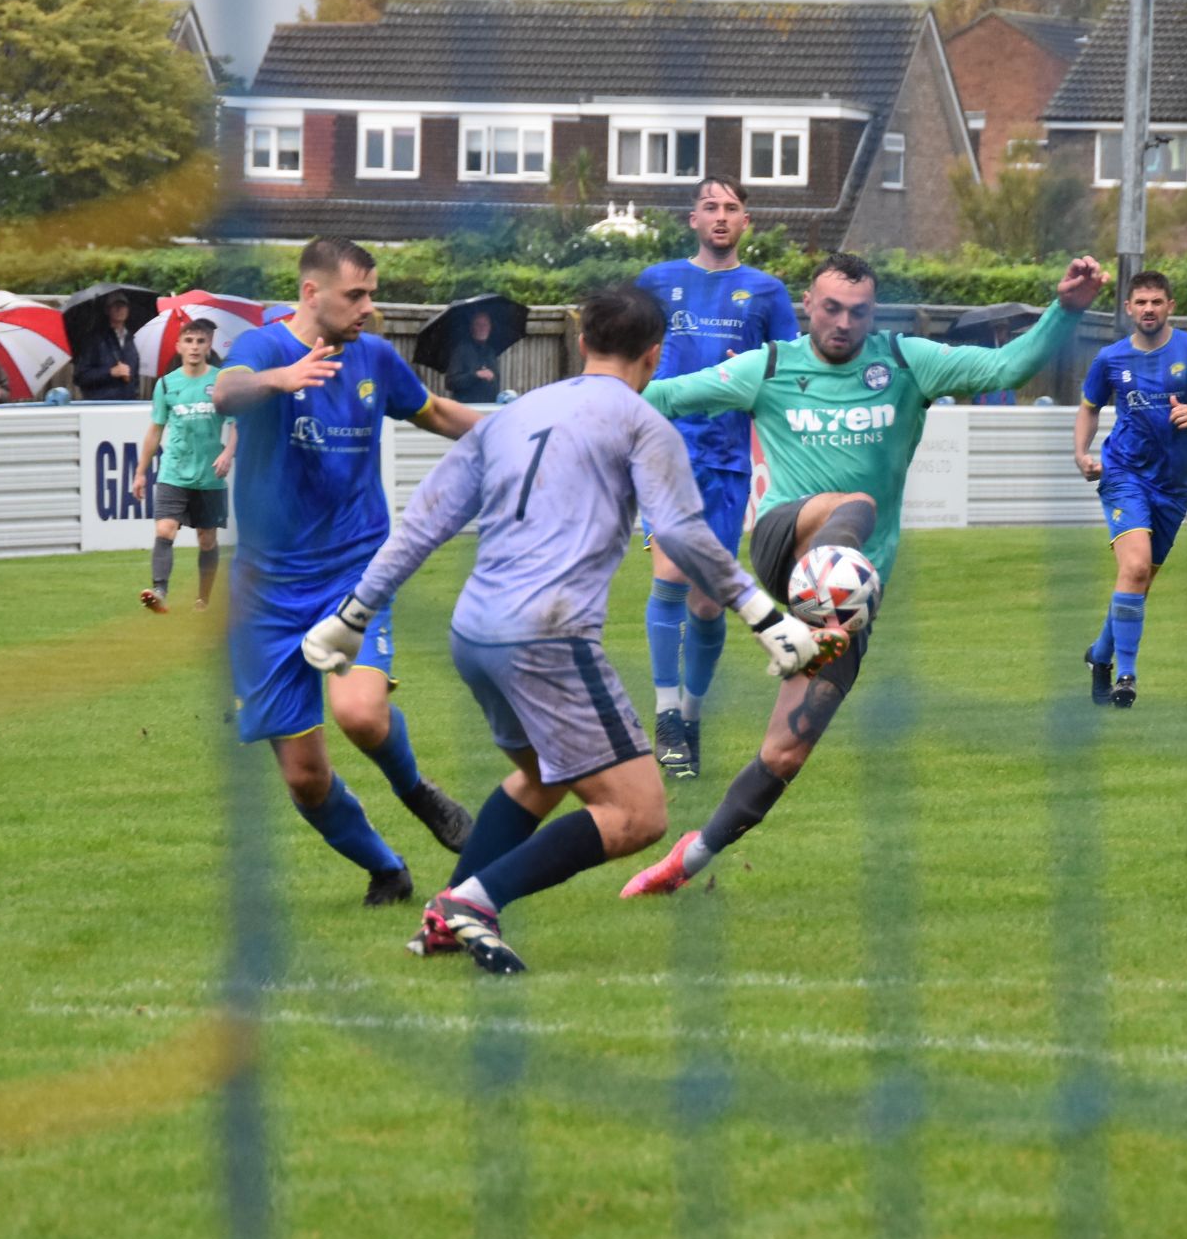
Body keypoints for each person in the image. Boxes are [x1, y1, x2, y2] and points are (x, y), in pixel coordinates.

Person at [300, 283, 828, 973]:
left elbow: (425, 522)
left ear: (581, 343)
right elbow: (680, 532)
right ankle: (474, 904)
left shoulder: (510, 418)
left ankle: (442, 917)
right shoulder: (643, 424)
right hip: (547, 637)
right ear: (656, 356)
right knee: (639, 815)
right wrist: (762, 614)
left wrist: (352, 616)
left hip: (475, 634)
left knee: (545, 775)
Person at [621, 251, 1105, 898]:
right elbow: (669, 394)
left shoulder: (906, 363)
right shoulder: (768, 366)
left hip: (848, 601)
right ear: (807, 306)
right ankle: (829, 590)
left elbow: (1007, 366)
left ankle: (689, 857)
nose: (843, 322)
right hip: (783, 547)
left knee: (784, 754)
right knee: (856, 506)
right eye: (830, 308)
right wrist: (591, 404)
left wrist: (1065, 308)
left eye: (858, 311)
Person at [212, 237, 482, 904]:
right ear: (311, 292)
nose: (370, 306)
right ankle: (386, 868)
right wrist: (279, 381)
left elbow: (438, 412)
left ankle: (417, 791)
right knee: (304, 777)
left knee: (360, 713)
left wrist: (532, 435)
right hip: (266, 594)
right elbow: (225, 392)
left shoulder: (375, 359)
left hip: (355, 571)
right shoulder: (268, 349)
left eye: (372, 292)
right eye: (356, 294)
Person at [634, 176, 802, 780]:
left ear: (746, 222)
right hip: (664, 453)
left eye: (732, 208)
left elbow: (789, 370)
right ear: (692, 219)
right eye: (711, 207)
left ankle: (694, 717)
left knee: (709, 605)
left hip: (728, 462)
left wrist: (755, 374)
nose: (722, 217)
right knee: (671, 577)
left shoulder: (766, 292)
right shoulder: (656, 282)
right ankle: (666, 716)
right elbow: (625, 353)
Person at [1070, 270, 1187, 709]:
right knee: (1137, 568)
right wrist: (1082, 454)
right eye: (1140, 302)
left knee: (1137, 580)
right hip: (1123, 474)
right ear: (1128, 308)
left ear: (1171, 306)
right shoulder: (1109, 359)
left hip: (1173, 488)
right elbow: (1089, 408)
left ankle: (1100, 656)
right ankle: (1126, 674)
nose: (1148, 309)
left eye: (1156, 302)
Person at [132, 314, 235, 612]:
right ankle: (159, 591)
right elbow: (155, 430)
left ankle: (203, 599)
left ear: (208, 345)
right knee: (165, 530)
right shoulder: (166, 385)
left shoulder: (221, 381)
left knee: (206, 540)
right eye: (188, 341)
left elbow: (236, 424)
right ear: (178, 346)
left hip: (209, 476)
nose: (194, 346)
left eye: (200, 341)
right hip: (173, 472)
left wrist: (228, 452)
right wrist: (140, 472)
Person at [74, 291, 144, 400]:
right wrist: (110, 372)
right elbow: (81, 377)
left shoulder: (131, 340)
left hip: (128, 407)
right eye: (115, 305)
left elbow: (135, 378)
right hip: (102, 407)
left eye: (123, 305)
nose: (120, 309)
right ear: (107, 310)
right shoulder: (94, 340)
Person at [444, 309, 502, 403]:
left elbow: (495, 381)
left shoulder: (491, 351)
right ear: (471, 327)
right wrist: (475, 375)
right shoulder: (461, 350)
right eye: (478, 324)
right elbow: (450, 382)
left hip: (488, 408)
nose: (482, 328)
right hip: (466, 409)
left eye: (485, 324)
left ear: (490, 327)